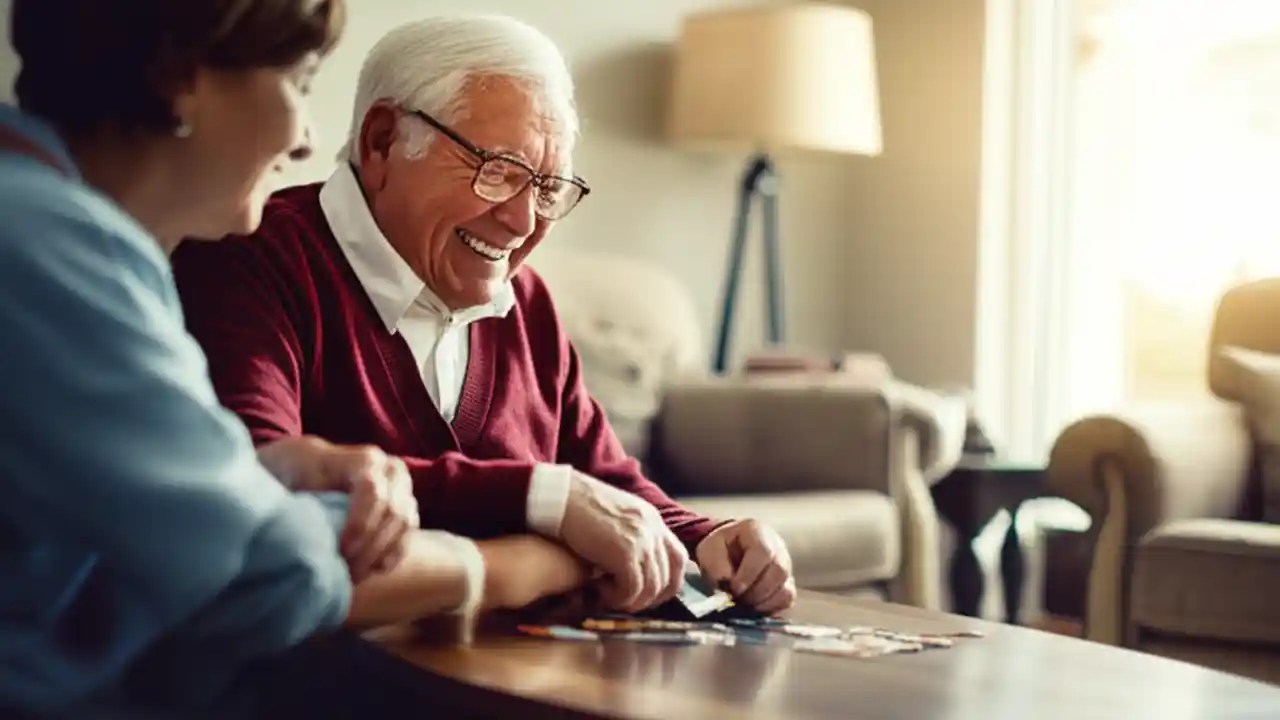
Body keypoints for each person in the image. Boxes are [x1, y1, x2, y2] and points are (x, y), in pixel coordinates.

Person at [0, 2, 585, 716]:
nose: (307, 139)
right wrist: (511, 566)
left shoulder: (56, 225)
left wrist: (268, 474)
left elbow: (100, 511)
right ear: (181, 75)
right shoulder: (47, 247)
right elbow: (265, 573)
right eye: (300, 82)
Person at [173, 14, 798, 616]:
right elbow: (263, 473)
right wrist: (543, 498)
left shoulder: (526, 303)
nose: (524, 222)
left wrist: (708, 537)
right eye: (499, 171)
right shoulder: (249, 257)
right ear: (383, 141)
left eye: (550, 189)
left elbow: (605, 480)